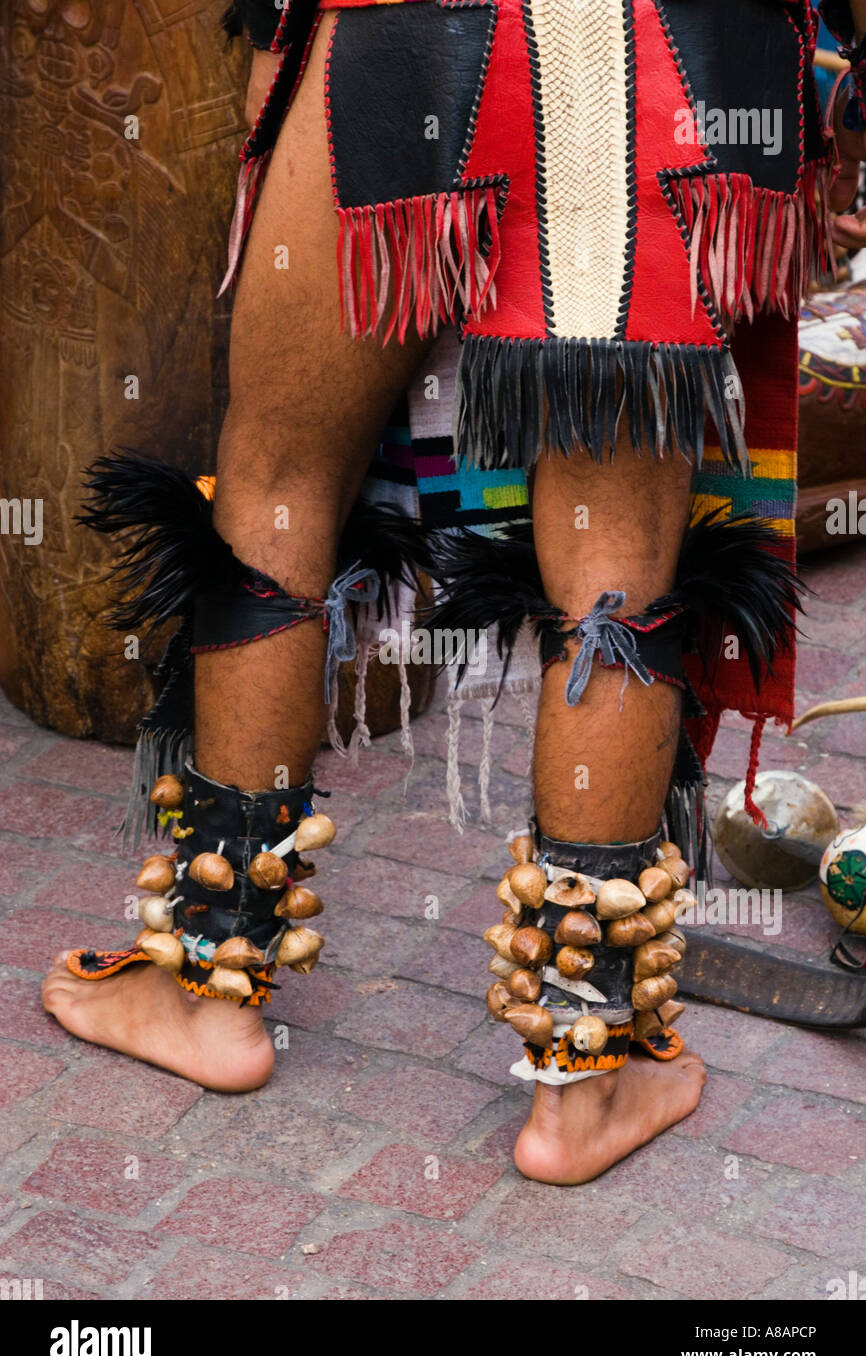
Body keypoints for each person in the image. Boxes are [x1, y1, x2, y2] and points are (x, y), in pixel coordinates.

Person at [42, 0, 866, 1185]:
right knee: (617, 564)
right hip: (668, 59)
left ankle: (208, 989)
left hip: (407, 32)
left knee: (278, 480)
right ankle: (586, 1078)